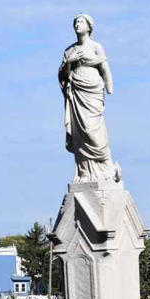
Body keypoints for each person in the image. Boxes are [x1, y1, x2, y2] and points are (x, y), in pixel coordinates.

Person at [58, 13, 121, 183]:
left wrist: (109, 87)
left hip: (92, 92)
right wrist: (69, 62)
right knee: (80, 132)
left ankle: (108, 167)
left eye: (81, 22)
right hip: (77, 93)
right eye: (76, 22)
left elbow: (105, 67)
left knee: (94, 130)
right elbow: (63, 76)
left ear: (89, 27)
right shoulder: (69, 51)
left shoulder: (96, 47)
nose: (78, 24)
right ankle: (83, 171)